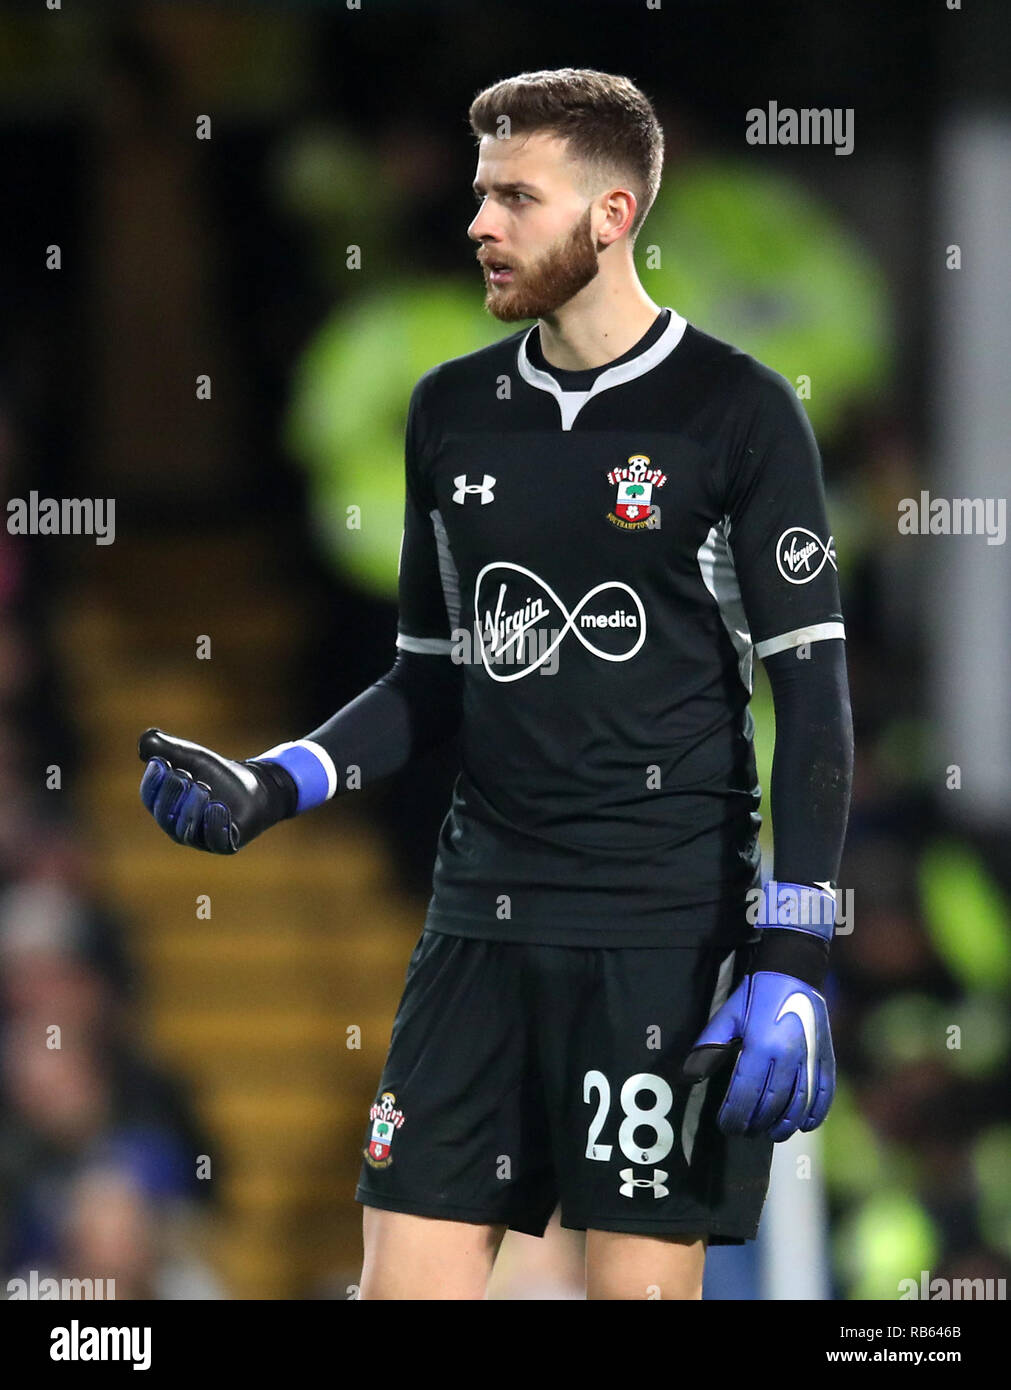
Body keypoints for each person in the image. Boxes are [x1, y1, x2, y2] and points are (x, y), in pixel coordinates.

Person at [138, 68, 853, 1300]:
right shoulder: (452, 412)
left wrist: (794, 955)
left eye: (517, 196)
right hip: (475, 928)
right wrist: (273, 784)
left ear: (613, 213)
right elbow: (428, 680)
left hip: (658, 940)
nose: (480, 222)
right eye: (480, 195)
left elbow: (817, 702)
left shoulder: (736, 414)